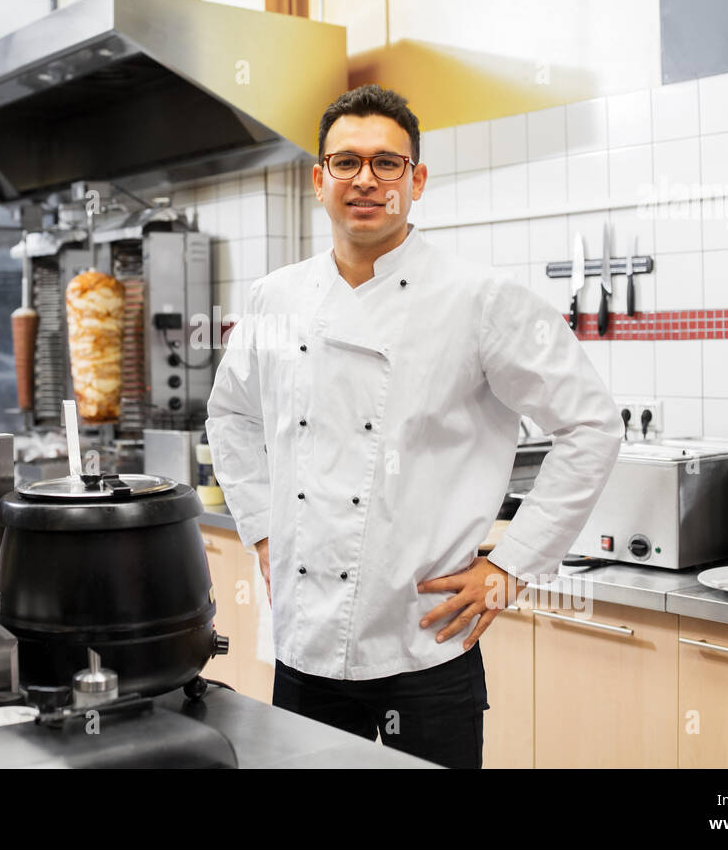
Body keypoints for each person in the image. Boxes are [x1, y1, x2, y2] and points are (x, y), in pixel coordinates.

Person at [204, 84, 624, 768]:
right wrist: (262, 529)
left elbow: (592, 425)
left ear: (417, 179)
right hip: (303, 641)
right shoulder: (274, 297)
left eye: (386, 163)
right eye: (345, 162)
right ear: (319, 180)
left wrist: (512, 567)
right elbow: (231, 416)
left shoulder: (481, 298)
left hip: (423, 646)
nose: (364, 179)